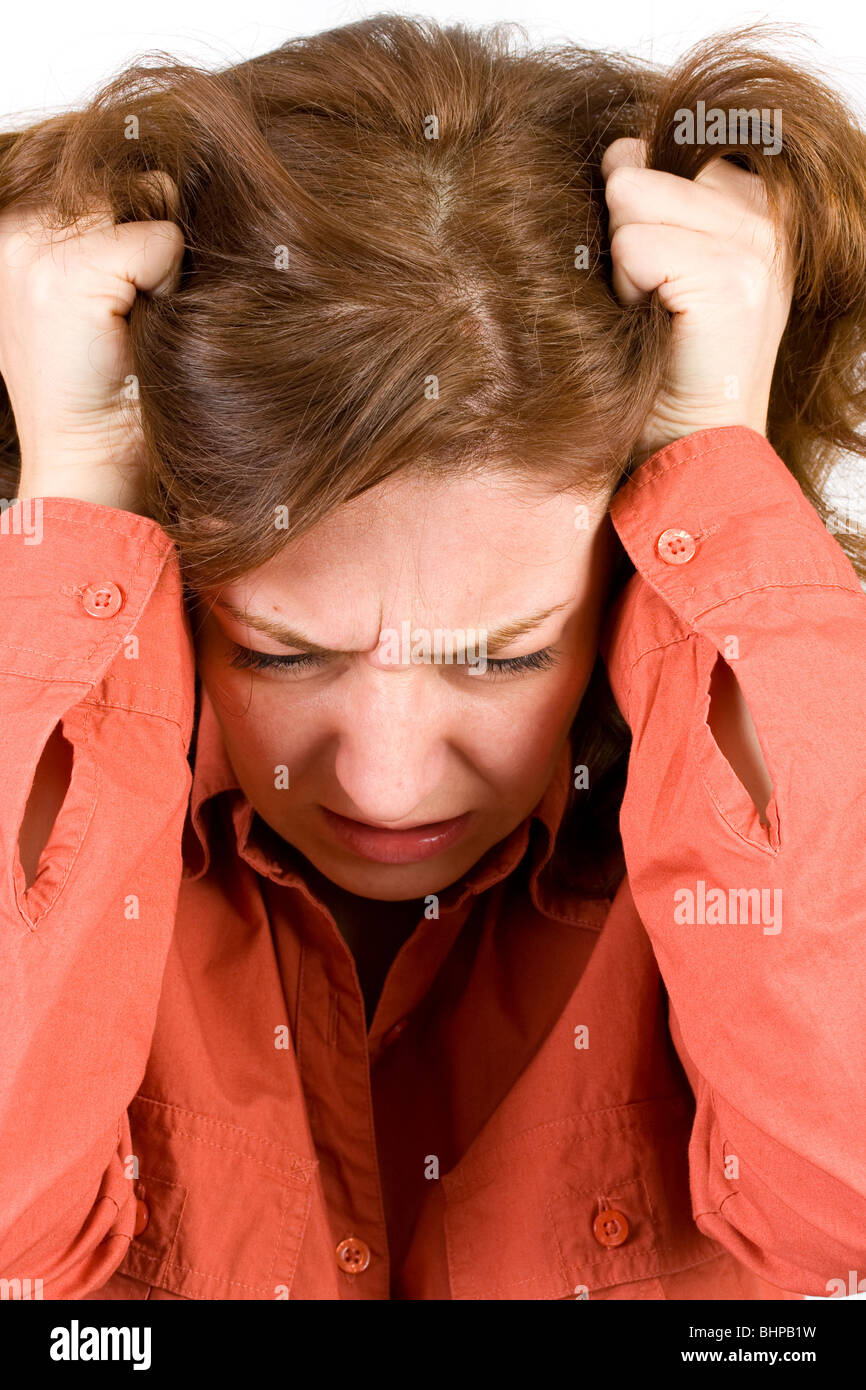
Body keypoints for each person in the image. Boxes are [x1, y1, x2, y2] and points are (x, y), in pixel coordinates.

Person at [0, 15, 864, 1301]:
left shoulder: (781, 744)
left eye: (505, 659)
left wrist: (713, 468)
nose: (390, 782)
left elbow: (834, 1200)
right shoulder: (57, 752)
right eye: (281, 654)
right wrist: (79, 491)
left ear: (635, 576)